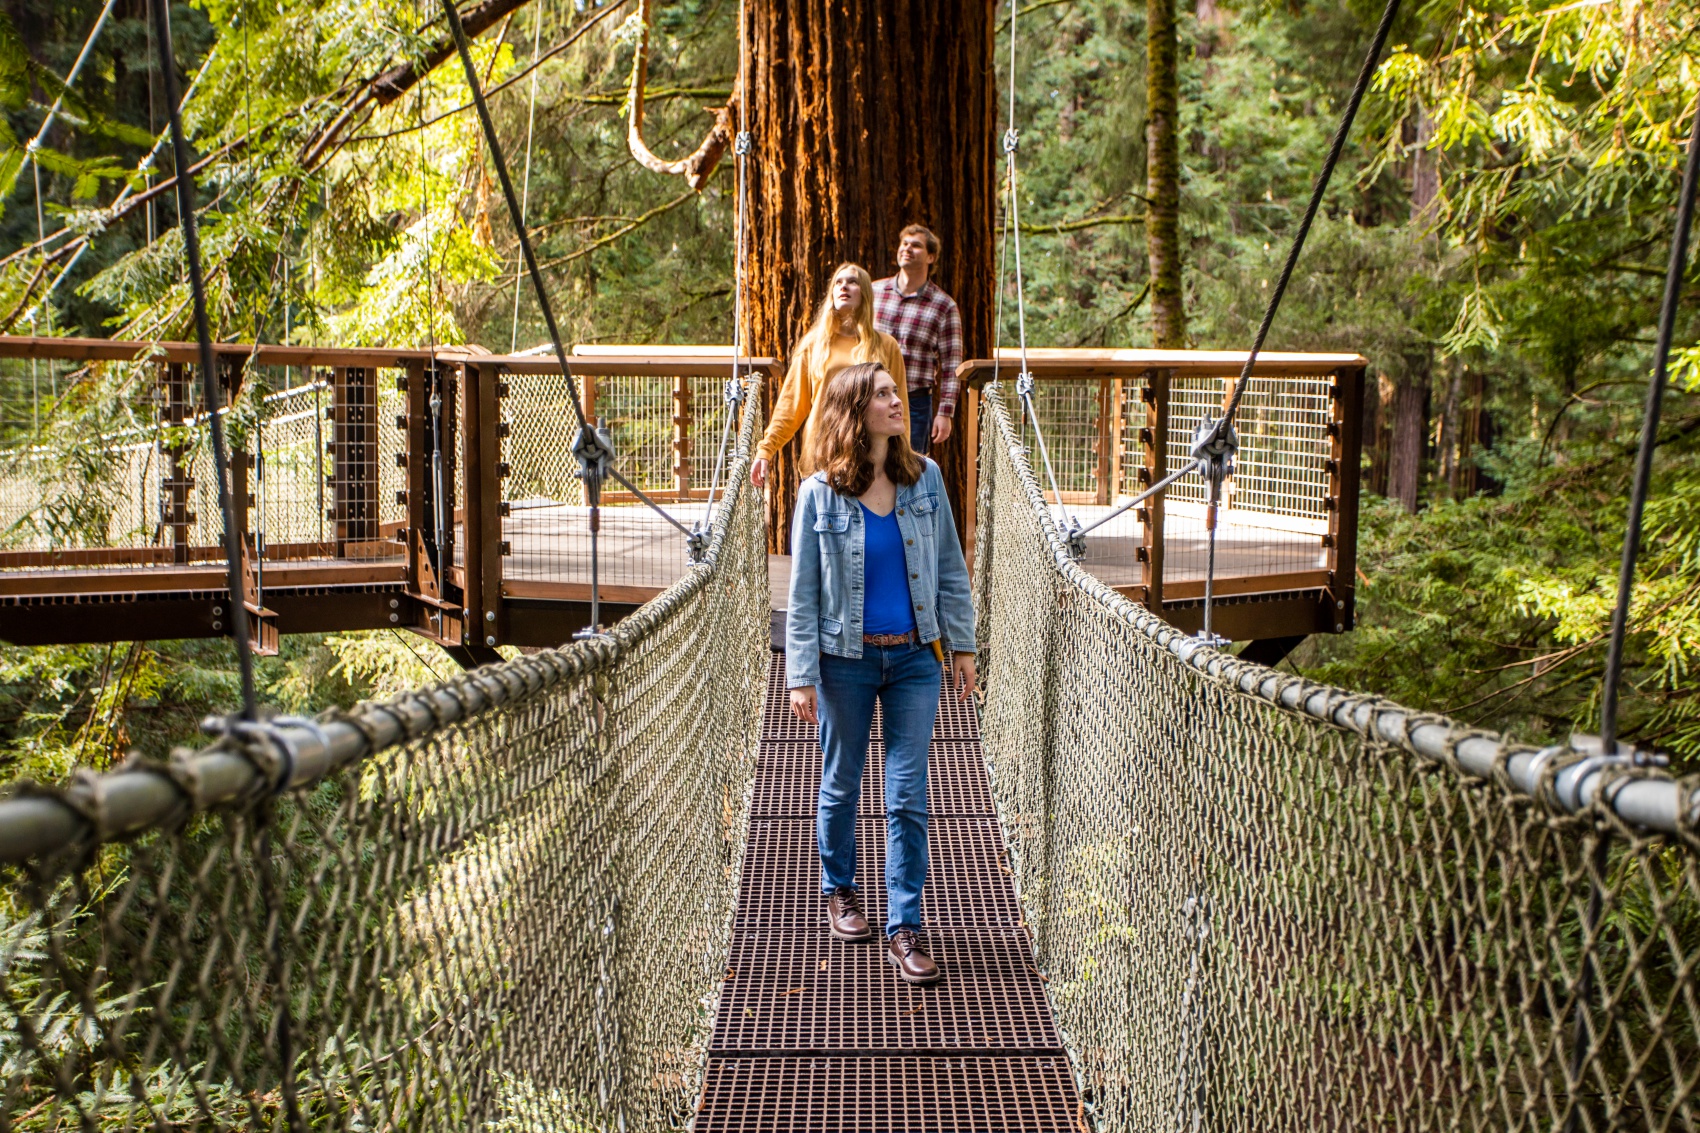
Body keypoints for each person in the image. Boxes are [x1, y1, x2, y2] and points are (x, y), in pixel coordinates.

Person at [785, 360, 977, 985]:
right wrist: (800, 673)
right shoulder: (819, 494)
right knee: (840, 780)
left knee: (907, 795)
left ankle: (904, 925)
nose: (900, 402)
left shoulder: (927, 480)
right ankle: (838, 889)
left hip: (917, 658)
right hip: (846, 661)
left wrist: (964, 646)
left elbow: (949, 568)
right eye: (885, 394)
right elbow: (805, 595)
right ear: (855, 411)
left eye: (898, 392)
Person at [750, 264, 908, 488]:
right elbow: (791, 405)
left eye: (852, 282)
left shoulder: (885, 345)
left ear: (864, 292)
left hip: (871, 455)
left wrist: (904, 456)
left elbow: (900, 406)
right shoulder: (814, 344)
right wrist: (765, 449)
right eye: (838, 282)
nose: (844, 286)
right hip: (822, 453)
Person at [873, 225, 964, 456]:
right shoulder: (873, 292)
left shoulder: (944, 306)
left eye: (916, 245)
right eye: (904, 243)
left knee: (907, 470)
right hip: (867, 398)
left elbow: (952, 365)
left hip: (914, 403)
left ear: (930, 257)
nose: (907, 249)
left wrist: (945, 413)